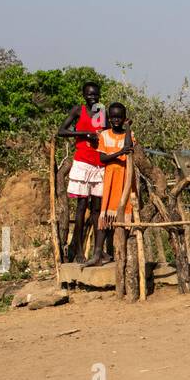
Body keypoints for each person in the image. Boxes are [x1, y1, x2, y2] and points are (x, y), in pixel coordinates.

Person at [56, 81, 106, 263]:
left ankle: (98, 251)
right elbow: (61, 131)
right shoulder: (79, 110)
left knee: (97, 209)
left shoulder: (102, 112)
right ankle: (77, 250)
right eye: (89, 94)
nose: (92, 97)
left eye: (95, 94)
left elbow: (105, 132)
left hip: (99, 164)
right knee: (81, 207)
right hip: (83, 163)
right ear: (84, 95)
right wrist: (83, 134)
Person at [91, 103, 136, 268]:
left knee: (125, 216)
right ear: (109, 118)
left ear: (124, 118)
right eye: (113, 117)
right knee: (105, 217)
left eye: (120, 117)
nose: (116, 120)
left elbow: (129, 147)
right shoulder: (105, 135)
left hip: (126, 177)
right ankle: (97, 253)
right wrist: (119, 153)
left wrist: (128, 128)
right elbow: (103, 159)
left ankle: (122, 254)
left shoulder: (128, 134)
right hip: (111, 178)